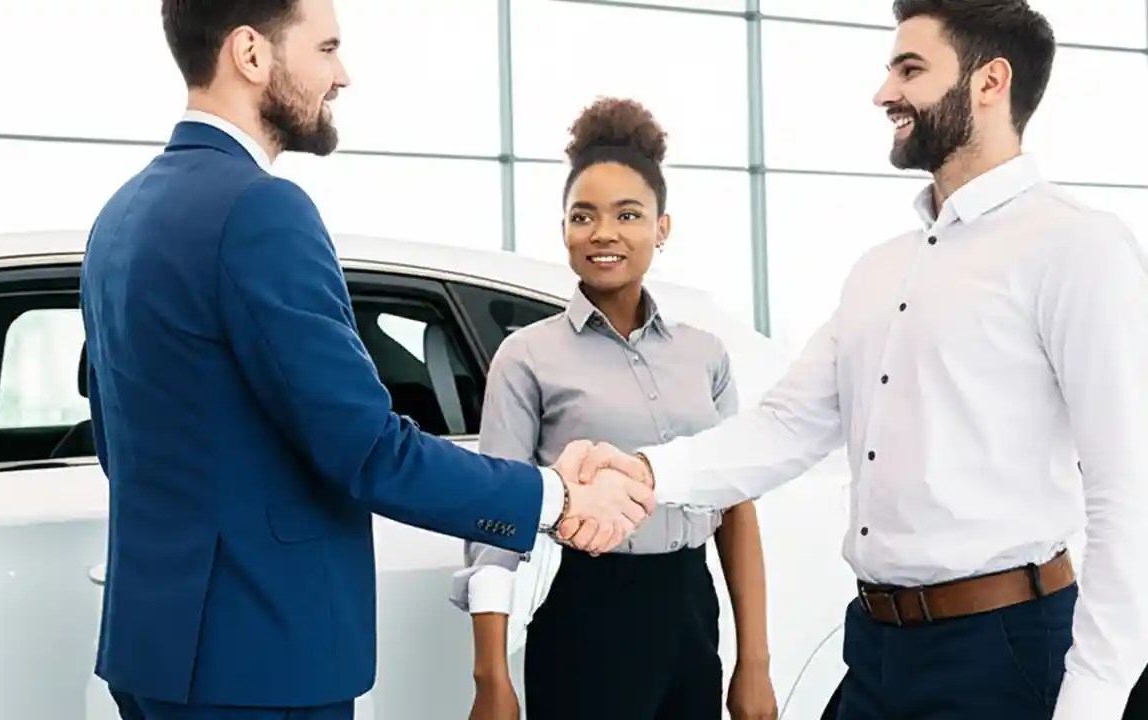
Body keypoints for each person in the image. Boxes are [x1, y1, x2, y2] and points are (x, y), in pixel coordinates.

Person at [567, 1, 1148, 719]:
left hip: (1004, 648)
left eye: (910, 69)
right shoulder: (881, 270)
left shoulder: (1076, 247)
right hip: (873, 647)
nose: (883, 93)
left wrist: (1094, 698)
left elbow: (1129, 493)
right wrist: (650, 473)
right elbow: (785, 425)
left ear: (990, 82)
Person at [80, 2, 656, 720]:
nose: (342, 75)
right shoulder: (263, 211)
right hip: (261, 662)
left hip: (152, 652)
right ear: (251, 54)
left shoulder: (120, 216)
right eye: (325, 48)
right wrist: (557, 499)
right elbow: (366, 449)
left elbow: (118, 443)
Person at [449, 98, 779, 720]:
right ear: (565, 228)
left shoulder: (704, 355)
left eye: (628, 214)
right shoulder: (527, 357)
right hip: (584, 611)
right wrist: (490, 677)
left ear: (662, 227)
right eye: (584, 216)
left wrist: (754, 662)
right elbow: (493, 519)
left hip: (690, 604)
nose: (604, 233)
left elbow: (736, 506)